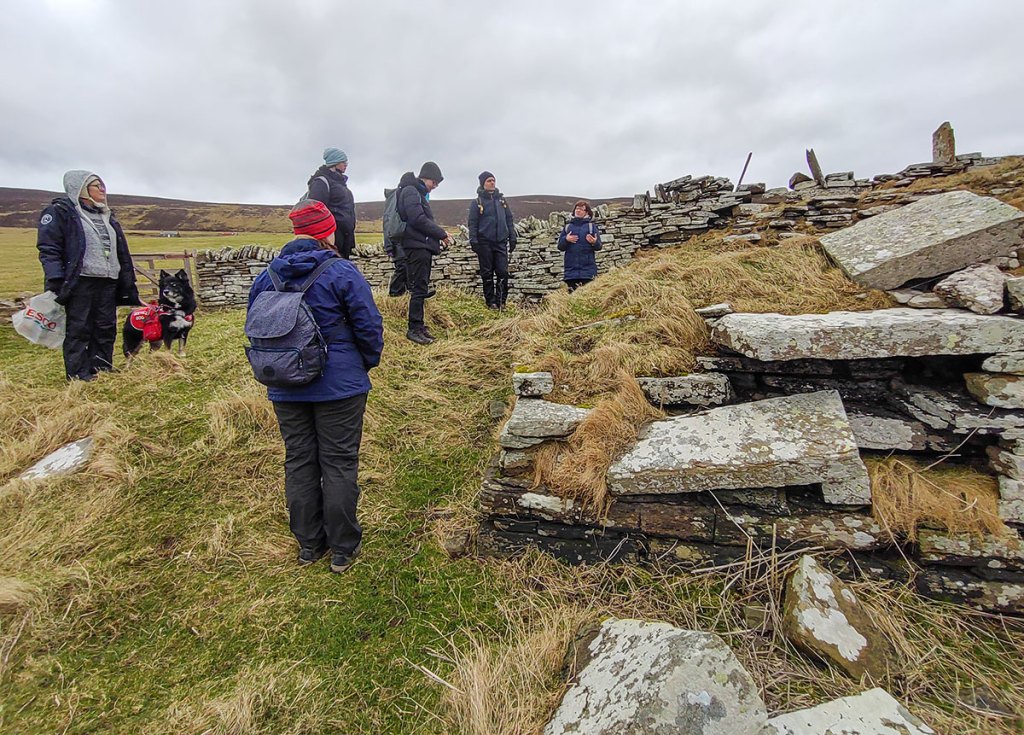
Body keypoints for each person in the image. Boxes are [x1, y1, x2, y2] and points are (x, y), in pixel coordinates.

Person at [248, 199, 384, 574]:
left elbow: (256, 327)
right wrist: (364, 363)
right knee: (338, 462)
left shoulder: (267, 277)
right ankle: (342, 549)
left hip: (284, 382)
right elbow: (368, 325)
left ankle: (309, 545)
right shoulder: (342, 272)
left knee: (299, 460)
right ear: (327, 230)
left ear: (295, 233)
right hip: (339, 385)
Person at [36, 170, 141, 381]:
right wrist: (56, 279)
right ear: (81, 189)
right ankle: (78, 373)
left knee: (105, 325)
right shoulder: (61, 213)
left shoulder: (107, 215)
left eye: (103, 185)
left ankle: (101, 367)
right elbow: (49, 248)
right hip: (81, 280)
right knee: (79, 326)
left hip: (108, 279)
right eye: (96, 186)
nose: (103, 190)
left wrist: (126, 280)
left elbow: (120, 250)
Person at [396, 161, 454, 345]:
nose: (435, 186)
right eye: (434, 182)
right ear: (426, 177)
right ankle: (414, 329)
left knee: (421, 287)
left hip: (420, 245)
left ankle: (419, 326)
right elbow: (417, 219)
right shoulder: (412, 191)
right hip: (417, 246)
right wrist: (441, 233)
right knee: (418, 289)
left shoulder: (416, 192)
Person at [467, 171, 517, 309]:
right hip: (484, 243)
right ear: (483, 183)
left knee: (502, 272)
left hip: (500, 242)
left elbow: (509, 219)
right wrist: (473, 240)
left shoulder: (501, 201)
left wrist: (512, 236)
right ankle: (490, 302)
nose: (492, 183)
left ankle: (501, 301)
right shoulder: (477, 203)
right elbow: (472, 222)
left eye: (494, 180)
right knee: (487, 273)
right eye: (489, 181)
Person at [307, 147, 357, 259]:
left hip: (344, 236)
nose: (346, 164)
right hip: (332, 237)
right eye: (343, 161)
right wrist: (325, 240)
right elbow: (316, 211)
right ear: (334, 162)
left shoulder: (339, 182)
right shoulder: (320, 182)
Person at [558, 200, 602, 292]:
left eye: (581, 209)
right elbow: (560, 247)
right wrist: (566, 239)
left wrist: (594, 242)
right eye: (577, 209)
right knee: (572, 300)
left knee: (588, 298)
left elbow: (599, 246)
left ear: (586, 212)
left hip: (588, 272)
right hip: (571, 273)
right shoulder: (568, 227)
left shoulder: (591, 227)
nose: (578, 211)